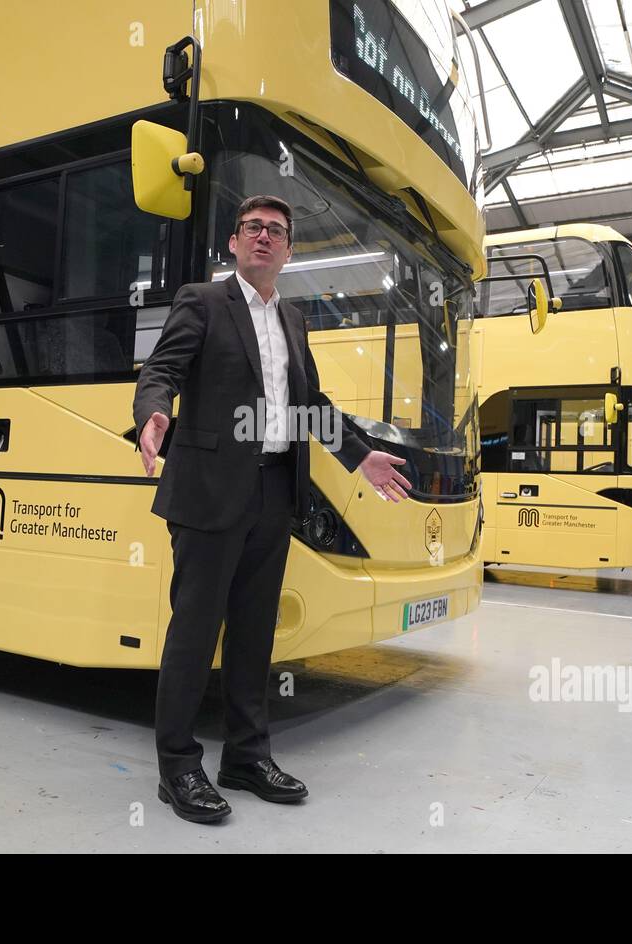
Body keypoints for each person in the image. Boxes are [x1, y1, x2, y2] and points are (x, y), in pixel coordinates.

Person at [133, 195, 411, 823]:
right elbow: (162, 369)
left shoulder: (292, 319)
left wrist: (360, 456)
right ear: (235, 243)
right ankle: (177, 765)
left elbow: (311, 404)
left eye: (276, 232)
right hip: (208, 494)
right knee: (194, 631)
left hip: (273, 492)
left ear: (288, 250)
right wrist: (152, 412)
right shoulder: (202, 301)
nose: (264, 238)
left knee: (255, 634)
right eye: (253, 228)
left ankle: (245, 756)